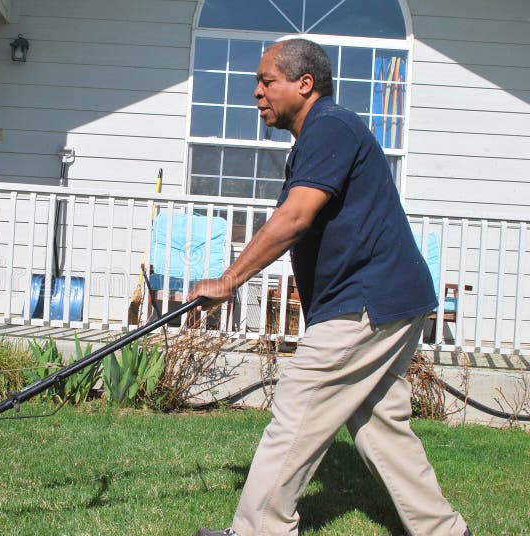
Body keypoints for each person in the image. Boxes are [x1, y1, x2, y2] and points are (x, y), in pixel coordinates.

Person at [188, 39, 470, 536]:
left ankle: (259, 530)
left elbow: (295, 218)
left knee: (298, 410)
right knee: (380, 425)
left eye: (266, 81)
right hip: (386, 299)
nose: (256, 92)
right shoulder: (321, 134)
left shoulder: (330, 126)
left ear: (305, 84)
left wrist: (230, 279)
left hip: (365, 302)